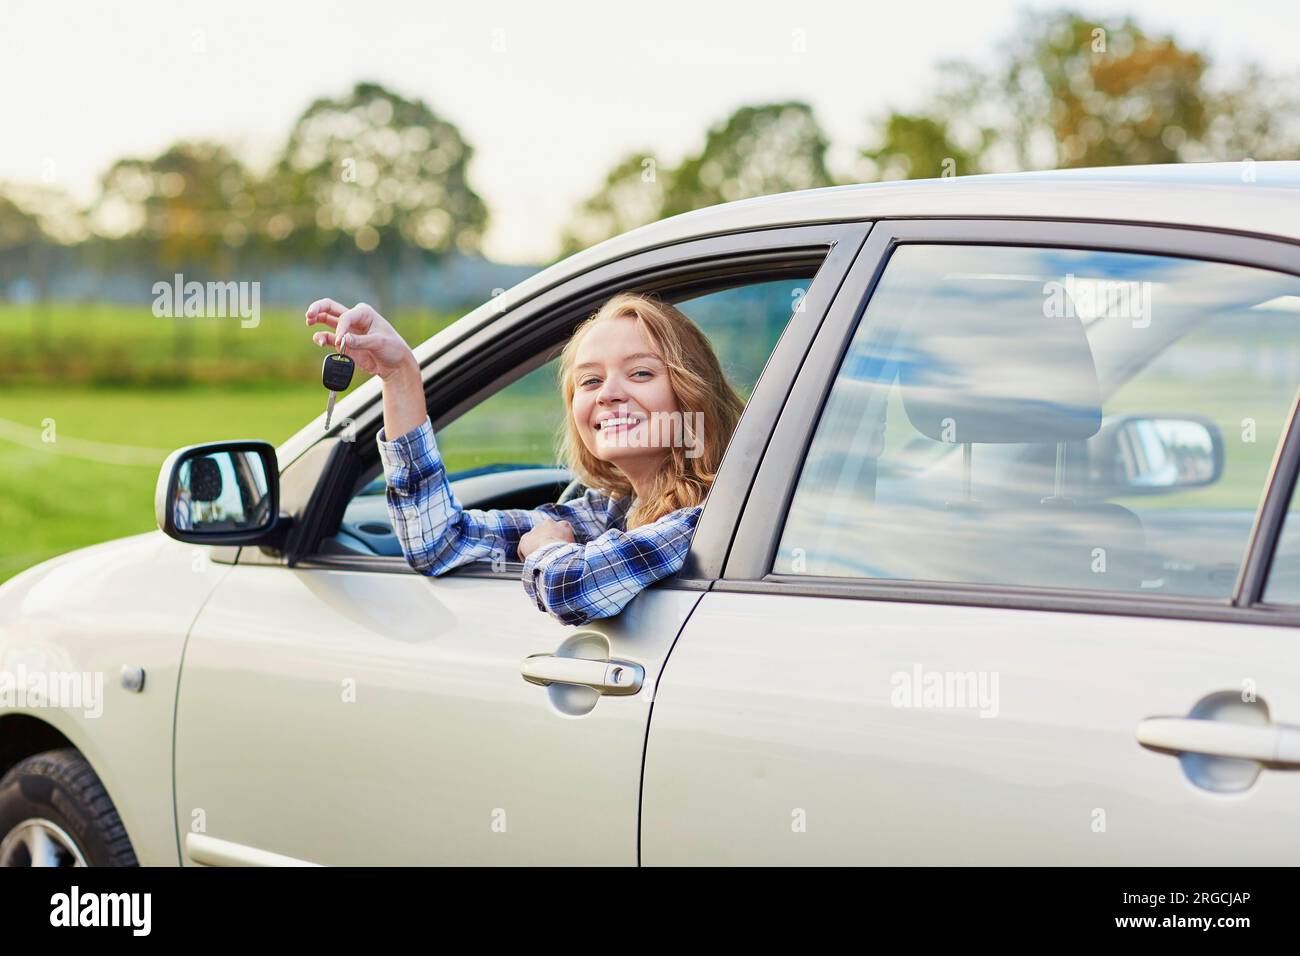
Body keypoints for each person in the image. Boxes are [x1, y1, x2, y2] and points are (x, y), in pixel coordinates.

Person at [305, 292, 744, 625]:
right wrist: (399, 375)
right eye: (589, 381)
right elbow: (437, 542)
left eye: (641, 373)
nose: (609, 393)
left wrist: (548, 547)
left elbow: (575, 586)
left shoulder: (708, 516)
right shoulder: (608, 512)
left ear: (692, 393)